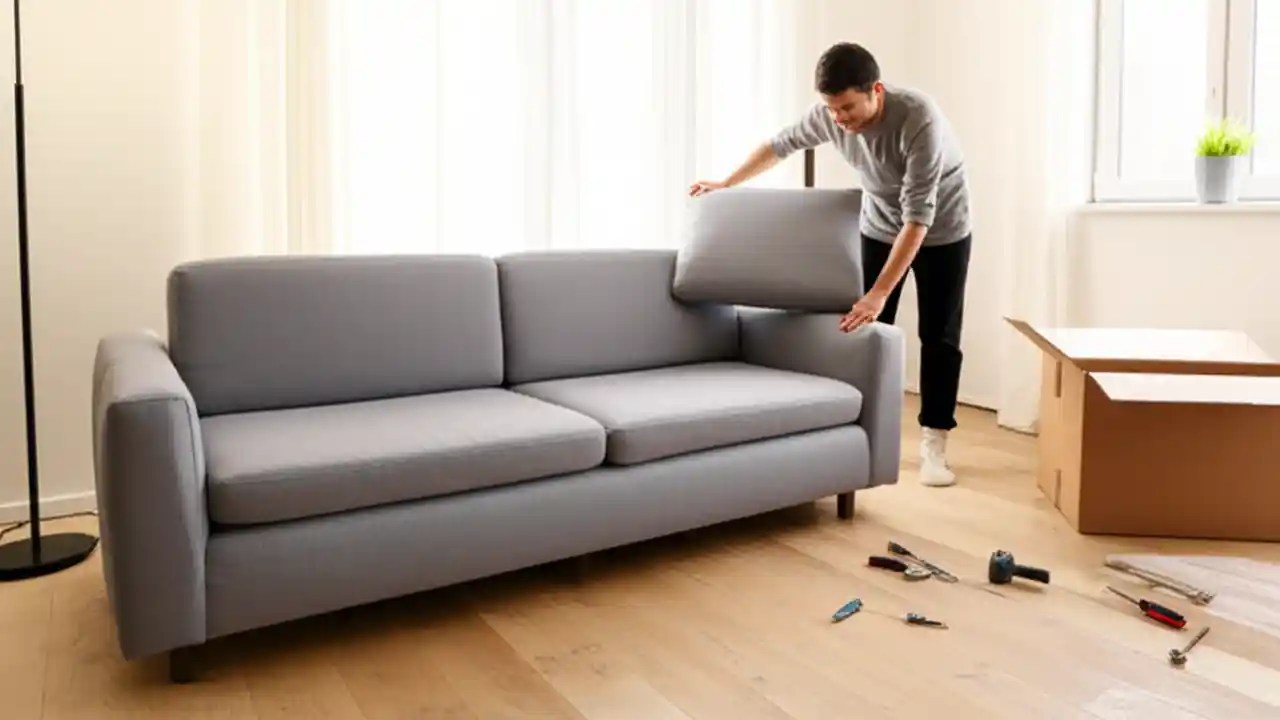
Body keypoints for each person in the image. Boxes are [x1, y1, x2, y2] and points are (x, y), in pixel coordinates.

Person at [688, 42, 971, 488]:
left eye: (847, 108)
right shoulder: (829, 114)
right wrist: (726, 183)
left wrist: (878, 292)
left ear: (875, 91)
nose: (839, 118)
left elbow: (919, 217)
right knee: (871, 333)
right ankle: (873, 432)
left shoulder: (919, 118)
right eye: (831, 109)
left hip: (940, 229)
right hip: (879, 224)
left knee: (939, 335)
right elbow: (778, 145)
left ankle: (935, 442)